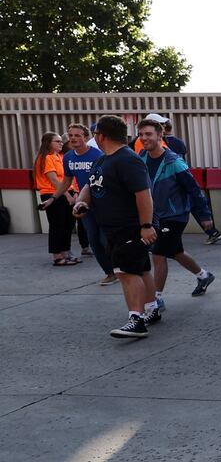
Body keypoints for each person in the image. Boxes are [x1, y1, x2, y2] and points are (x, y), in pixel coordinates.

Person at [72, 114, 159, 338]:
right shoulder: (102, 160)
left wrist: (146, 225)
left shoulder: (128, 160)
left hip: (129, 226)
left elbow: (144, 195)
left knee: (126, 272)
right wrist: (82, 202)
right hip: (112, 227)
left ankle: (136, 320)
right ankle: (151, 309)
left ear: (102, 136)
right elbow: (90, 185)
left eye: (94, 134)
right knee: (141, 269)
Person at [136, 118, 216, 307]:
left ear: (160, 135)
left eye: (148, 134)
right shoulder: (142, 157)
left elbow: (194, 190)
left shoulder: (174, 162)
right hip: (154, 216)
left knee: (158, 254)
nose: (144, 138)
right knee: (176, 251)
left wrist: (205, 216)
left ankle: (156, 299)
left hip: (174, 216)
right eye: (141, 134)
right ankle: (204, 276)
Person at [63, 123, 114, 281]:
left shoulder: (98, 155)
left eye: (77, 135)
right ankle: (109, 273)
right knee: (93, 240)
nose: (73, 138)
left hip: (102, 203)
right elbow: (66, 181)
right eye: (71, 135)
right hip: (84, 204)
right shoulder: (68, 157)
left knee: (105, 240)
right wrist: (53, 198)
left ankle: (120, 268)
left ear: (86, 137)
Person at [34, 131, 79, 266]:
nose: (61, 144)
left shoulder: (59, 156)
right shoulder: (46, 158)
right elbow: (54, 180)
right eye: (57, 141)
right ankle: (57, 255)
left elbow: (68, 177)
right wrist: (67, 195)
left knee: (68, 225)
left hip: (66, 193)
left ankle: (65, 252)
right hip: (53, 194)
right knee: (57, 225)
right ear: (48, 143)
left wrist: (74, 192)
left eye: (61, 141)